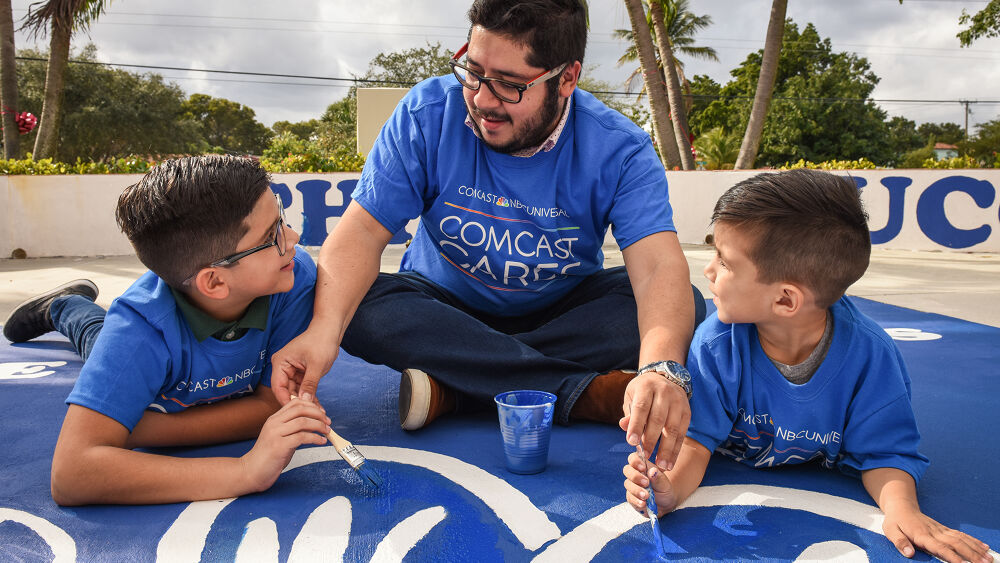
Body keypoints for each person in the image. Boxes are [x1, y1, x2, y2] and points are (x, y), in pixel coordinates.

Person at [271, 0, 705, 471]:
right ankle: (585, 395)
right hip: (442, 308)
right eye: (473, 72)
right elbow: (358, 235)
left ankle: (455, 389)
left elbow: (658, 266)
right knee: (347, 302)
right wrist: (323, 331)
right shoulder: (425, 113)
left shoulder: (620, 147)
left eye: (509, 85)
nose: (481, 99)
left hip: (559, 312)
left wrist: (662, 369)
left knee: (684, 303)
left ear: (566, 78)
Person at [622, 169, 993, 563]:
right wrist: (671, 489)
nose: (709, 271)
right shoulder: (715, 345)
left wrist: (903, 509)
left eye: (725, 262)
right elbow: (696, 442)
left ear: (785, 300)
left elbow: (886, 455)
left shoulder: (871, 357)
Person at [2, 155, 331, 506]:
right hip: (136, 338)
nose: (293, 237)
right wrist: (246, 470)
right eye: (272, 236)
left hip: (160, 366)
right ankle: (64, 306)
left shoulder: (292, 278)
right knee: (98, 339)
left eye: (281, 219)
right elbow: (72, 475)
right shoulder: (136, 330)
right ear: (215, 281)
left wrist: (140, 428)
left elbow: (271, 405)